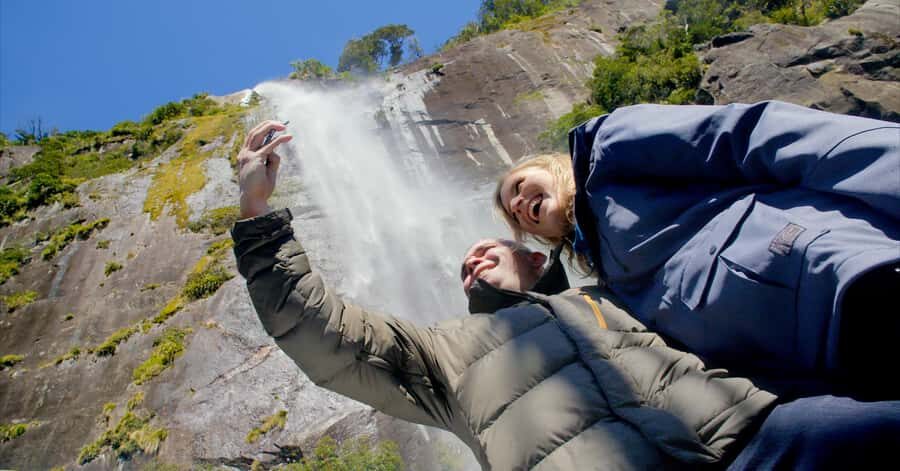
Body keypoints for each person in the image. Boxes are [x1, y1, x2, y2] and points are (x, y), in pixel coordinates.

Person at [233, 120, 900, 470]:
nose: (473, 257)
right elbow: (325, 336)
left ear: (535, 254)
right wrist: (257, 210)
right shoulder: (441, 352)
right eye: (466, 264)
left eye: (491, 244)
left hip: (754, 438)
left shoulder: (613, 295)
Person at [495, 101, 900, 397]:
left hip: (845, 278)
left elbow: (753, 134)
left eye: (517, 186)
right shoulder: (608, 277)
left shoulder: (609, 148)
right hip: (830, 364)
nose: (516, 203)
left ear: (548, 166)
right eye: (514, 215)